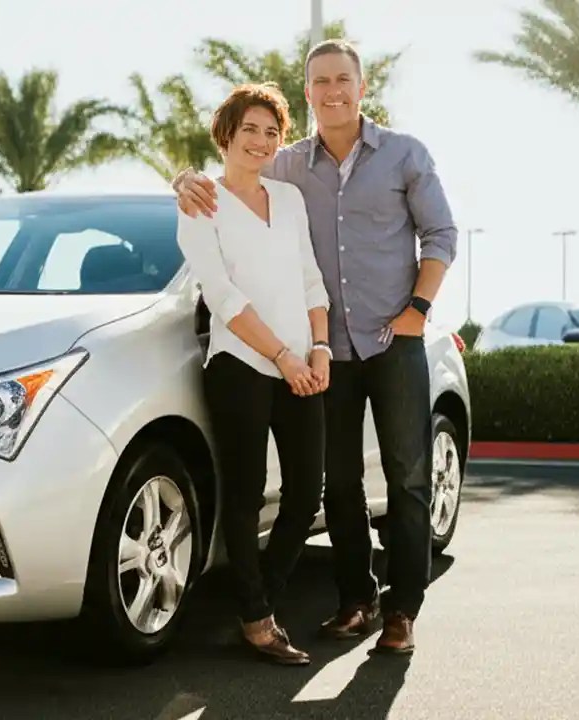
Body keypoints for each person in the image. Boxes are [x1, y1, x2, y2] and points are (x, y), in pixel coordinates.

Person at [173, 39, 458, 656]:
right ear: (308, 93)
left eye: (343, 80)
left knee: (407, 478)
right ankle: (354, 600)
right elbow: (230, 177)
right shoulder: (289, 166)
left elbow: (440, 234)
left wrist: (417, 312)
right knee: (339, 483)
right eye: (320, 81)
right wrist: (183, 177)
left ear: (362, 86)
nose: (333, 91)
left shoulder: (403, 155)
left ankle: (402, 610)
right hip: (311, 355)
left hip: (387, 340)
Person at [176, 82, 331, 665]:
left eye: (272, 132)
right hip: (241, 365)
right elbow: (222, 295)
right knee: (245, 495)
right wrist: (282, 358)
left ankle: (258, 598)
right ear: (227, 133)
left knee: (304, 492)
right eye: (251, 130)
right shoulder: (199, 203)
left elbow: (311, 277)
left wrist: (317, 349)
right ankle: (258, 619)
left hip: (302, 364)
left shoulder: (288, 199)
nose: (262, 141)